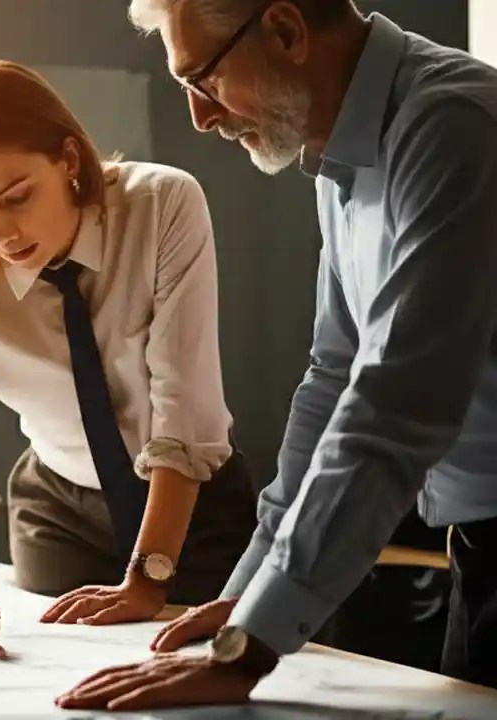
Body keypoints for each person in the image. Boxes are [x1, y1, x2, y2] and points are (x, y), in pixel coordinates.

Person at [58, 0, 497, 711]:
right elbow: (333, 381)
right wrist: (245, 601)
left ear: (287, 30)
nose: (200, 117)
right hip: (478, 547)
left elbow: (392, 406)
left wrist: (249, 649)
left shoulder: (453, 127)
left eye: (201, 78)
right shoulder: (342, 156)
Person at [0, 59, 256, 661]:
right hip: (59, 509)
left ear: (67, 160)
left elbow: (184, 411)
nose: (2, 233)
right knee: (51, 681)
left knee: (205, 678)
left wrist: (147, 581)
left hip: (191, 501)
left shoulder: (162, 205)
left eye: (16, 197)